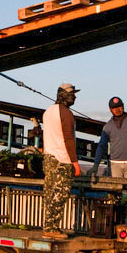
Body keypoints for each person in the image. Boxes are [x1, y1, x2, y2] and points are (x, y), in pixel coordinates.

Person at [39, 83, 81, 233]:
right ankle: (51, 228)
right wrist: (75, 162)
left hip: (49, 157)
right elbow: (68, 139)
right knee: (60, 193)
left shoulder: (47, 111)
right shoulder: (66, 113)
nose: (74, 96)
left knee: (49, 192)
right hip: (62, 159)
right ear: (64, 95)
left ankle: (48, 226)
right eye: (72, 94)